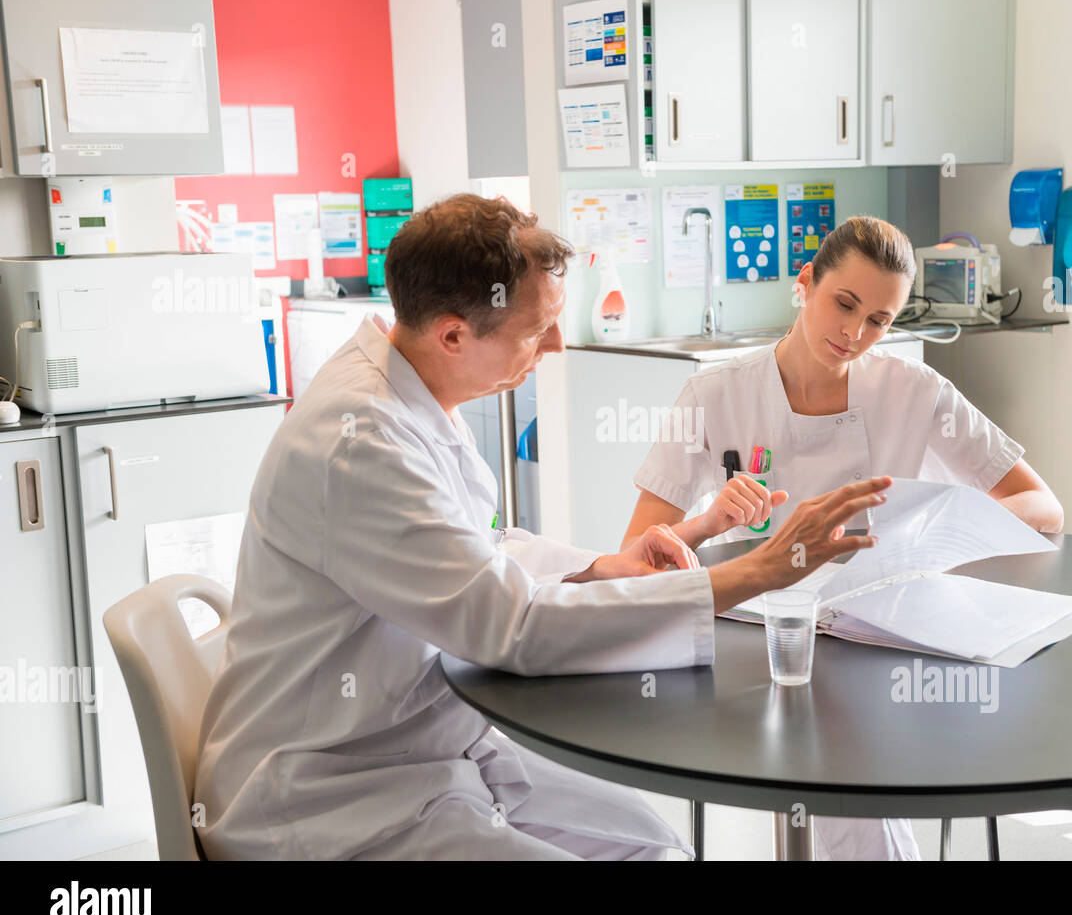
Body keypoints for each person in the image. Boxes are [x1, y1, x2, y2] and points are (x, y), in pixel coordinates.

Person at [194, 193, 891, 861]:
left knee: (654, 845)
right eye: (537, 328)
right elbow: (513, 627)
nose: (557, 345)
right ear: (454, 335)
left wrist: (599, 568)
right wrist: (750, 574)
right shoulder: (362, 441)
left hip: (414, 744)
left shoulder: (407, 386)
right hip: (329, 795)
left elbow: (477, 550)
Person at [624, 214, 1064, 861]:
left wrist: (940, 523)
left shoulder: (912, 390)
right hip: (758, 638)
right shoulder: (716, 394)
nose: (854, 334)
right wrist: (711, 519)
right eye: (844, 304)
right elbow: (635, 553)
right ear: (805, 283)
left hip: (878, 632)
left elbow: (1043, 505)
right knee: (846, 757)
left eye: (879, 321)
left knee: (864, 748)